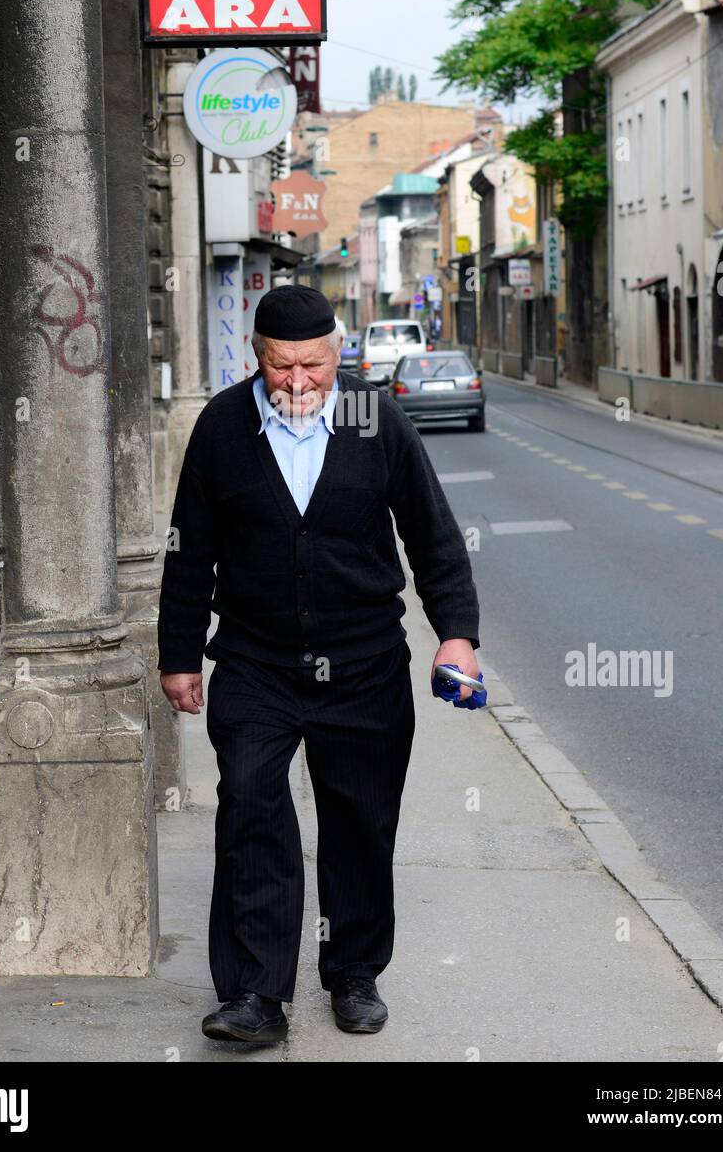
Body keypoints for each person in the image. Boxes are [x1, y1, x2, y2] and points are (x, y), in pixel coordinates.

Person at [158, 284, 481, 1044]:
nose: (297, 384)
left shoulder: (377, 419)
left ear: (338, 354)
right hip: (255, 661)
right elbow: (188, 550)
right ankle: (253, 995)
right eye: (279, 368)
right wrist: (178, 654)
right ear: (254, 357)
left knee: (359, 823)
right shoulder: (221, 427)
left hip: (365, 660)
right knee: (248, 809)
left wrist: (456, 634)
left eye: (311, 366)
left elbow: (432, 535)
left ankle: (353, 973)